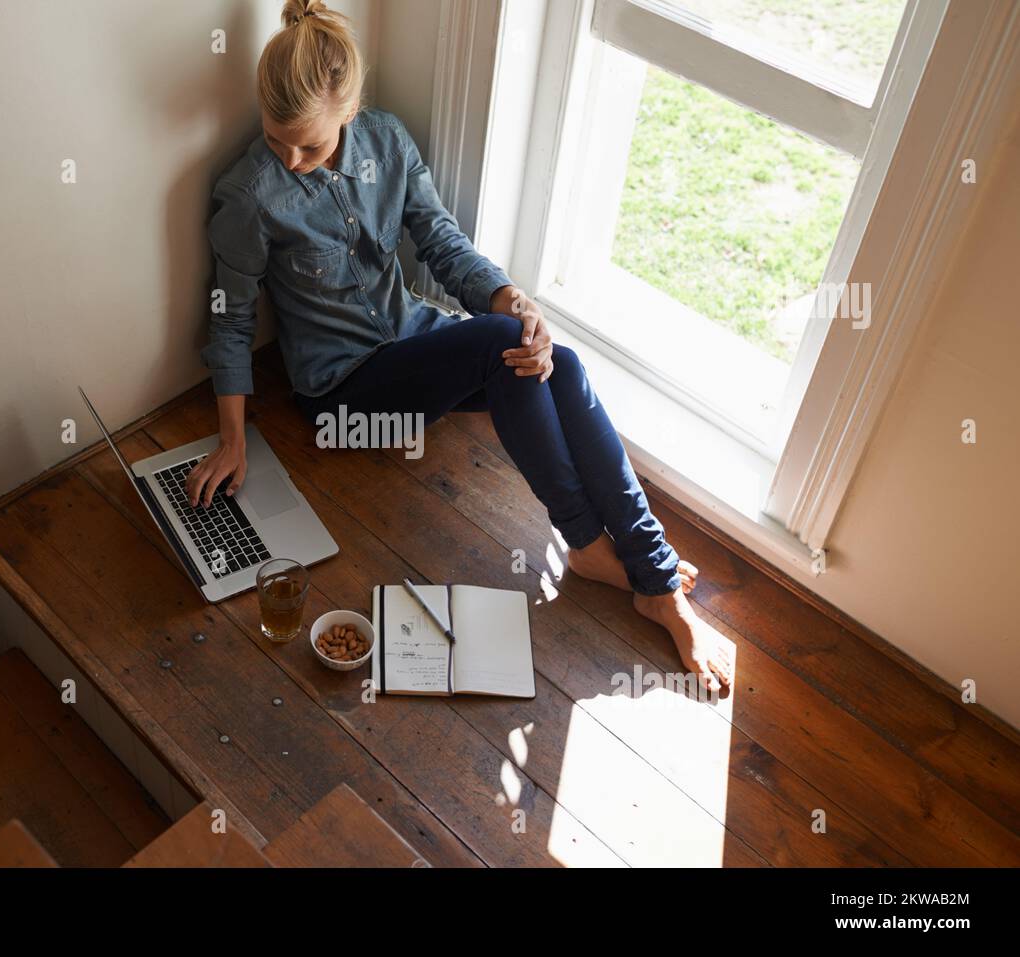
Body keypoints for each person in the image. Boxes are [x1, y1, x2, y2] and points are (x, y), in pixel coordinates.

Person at [188, 0, 733, 694]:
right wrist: (232, 440)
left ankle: (652, 575)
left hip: (417, 344)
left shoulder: (387, 141)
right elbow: (229, 321)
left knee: (556, 360)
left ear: (349, 114)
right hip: (344, 399)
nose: (291, 160)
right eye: (276, 140)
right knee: (510, 348)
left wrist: (517, 302)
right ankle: (592, 544)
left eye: (311, 146)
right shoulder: (249, 196)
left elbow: (442, 244)